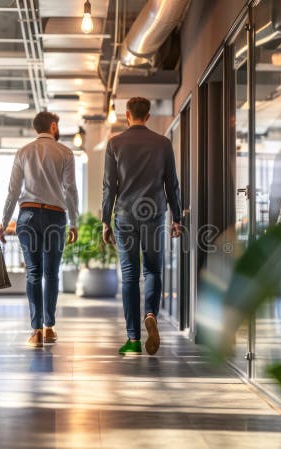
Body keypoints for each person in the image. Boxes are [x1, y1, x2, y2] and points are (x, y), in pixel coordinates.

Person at [101, 97, 182, 356]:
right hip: (155, 214)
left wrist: (105, 220)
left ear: (127, 115)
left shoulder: (114, 143)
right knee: (153, 271)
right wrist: (177, 218)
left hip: (125, 216)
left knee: (130, 276)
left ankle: (133, 339)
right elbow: (172, 184)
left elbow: (109, 186)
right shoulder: (163, 143)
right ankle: (151, 314)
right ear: (147, 116)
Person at [0, 111, 79, 348]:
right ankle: (49, 327)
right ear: (53, 126)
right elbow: (70, 190)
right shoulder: (65, 152)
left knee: (33, 272)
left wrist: (4, 223)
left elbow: (12, 191)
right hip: (56, 216)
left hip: (28, 215)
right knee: (51, 273)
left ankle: (36, 332)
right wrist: (74, 222)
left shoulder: (23, 152)